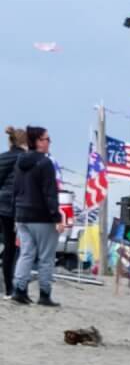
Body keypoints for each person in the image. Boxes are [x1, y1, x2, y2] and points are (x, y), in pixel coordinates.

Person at [9, 126, 60, 307]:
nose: (49, 142)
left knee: (26, 253)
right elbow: (49, 193)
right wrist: (57, 217)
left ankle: (19, 290)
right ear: (38, 141)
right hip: (42, 216)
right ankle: (44, 294)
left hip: (22, 215)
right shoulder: (45, 163)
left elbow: (16, 189)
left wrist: (16, 214)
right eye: (47, 139)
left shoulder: (19, 162)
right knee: (46, 256)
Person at [0, 126, 23, 299]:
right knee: (10, 249)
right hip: (11, 209)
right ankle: (8, 289)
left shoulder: (3, 157)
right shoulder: (26, 160)